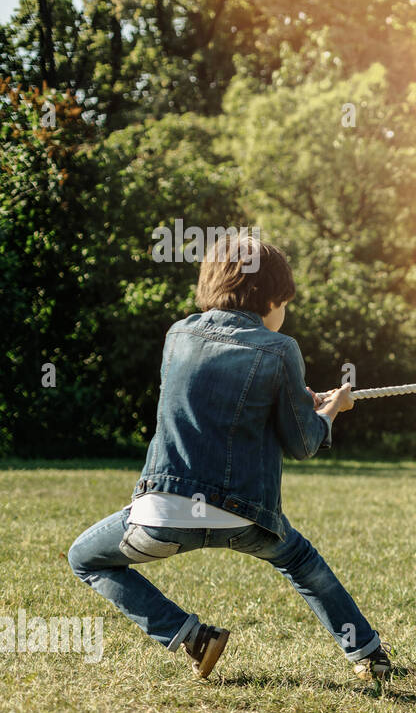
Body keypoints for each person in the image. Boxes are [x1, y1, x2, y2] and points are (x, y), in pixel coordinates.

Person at [67, 234, 391, 680]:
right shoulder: (280, 350)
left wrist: (298, 401)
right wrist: (330, 410)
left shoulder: (177, 335)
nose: (285, 313)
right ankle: (369, 657)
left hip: (163, 513)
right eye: (285, 302)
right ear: (269, 298)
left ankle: (191, 637)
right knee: (301, 563)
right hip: (245, 519)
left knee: (84, 558)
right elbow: (301, 443)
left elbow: (213, 402)